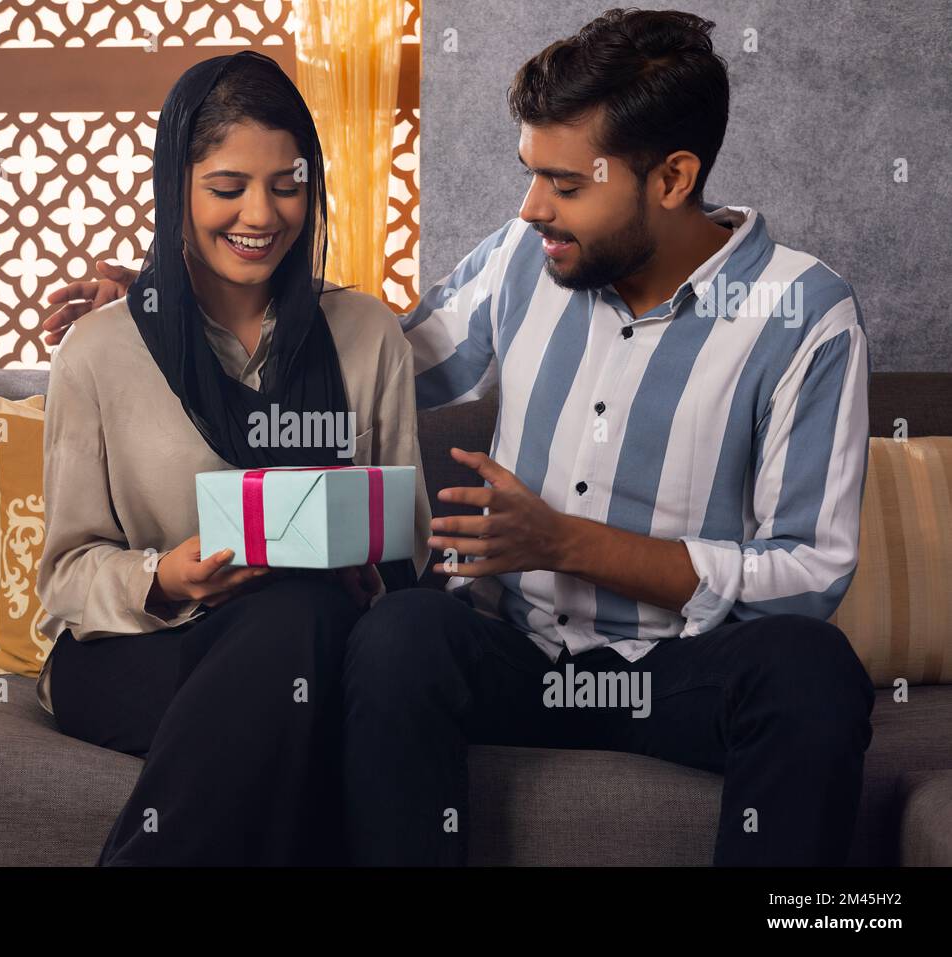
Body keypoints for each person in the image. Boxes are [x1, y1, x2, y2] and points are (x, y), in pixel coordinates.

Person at [45, 9, 875, 867]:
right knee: (400, 633)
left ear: (671, 177)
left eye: (566, 183)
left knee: (813, 671)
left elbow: (807, 577)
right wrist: (166, 304)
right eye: (531, 175)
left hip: (681, 668)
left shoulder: (803, 315)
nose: (531, 208)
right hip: (511, 655)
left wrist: (567, 543)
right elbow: (354, 355)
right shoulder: (528, 257)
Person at [33, 49, 431, 866]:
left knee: (302, 619)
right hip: (134, 648)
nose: (263, 213)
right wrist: (167, 574)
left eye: (288, 184)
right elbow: (66, 576)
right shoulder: (101, 349)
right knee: (298, 636)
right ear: (174, 186)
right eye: (227, 188)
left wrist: (368, 570)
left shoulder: (367, 336)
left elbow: (408, 546)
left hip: (314, 641)